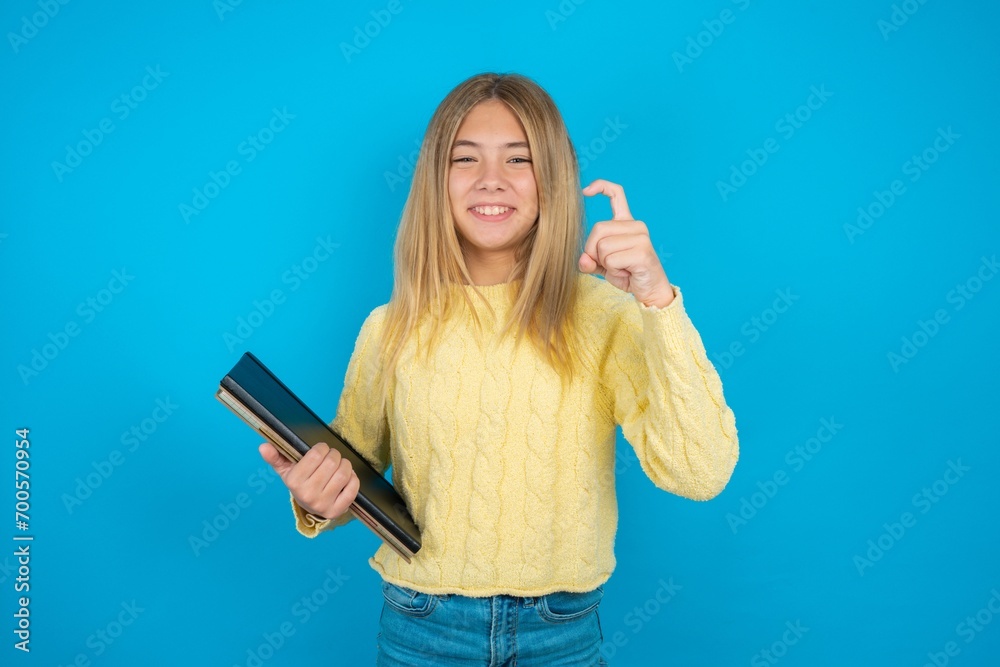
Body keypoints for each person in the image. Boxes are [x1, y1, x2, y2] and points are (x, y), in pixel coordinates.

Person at [258, 72, 739, 666]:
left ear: (553, 181)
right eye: (465, 158)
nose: (492, 180)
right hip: (421, 625)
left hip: (560, 630)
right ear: (437, 181)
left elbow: (698, 472)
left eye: (520, 158)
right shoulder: (391, 326)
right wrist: (315, 500)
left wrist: (657, 300)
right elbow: (350, 475)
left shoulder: (604, 315)